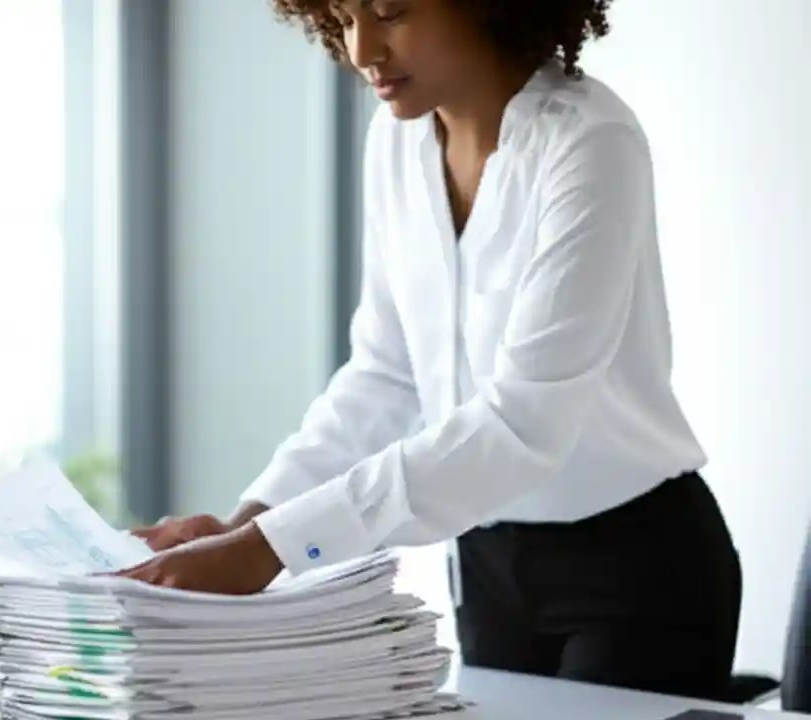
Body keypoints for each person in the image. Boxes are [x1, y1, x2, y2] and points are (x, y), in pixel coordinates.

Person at [116, 0, 743, 702]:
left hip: (635, 569)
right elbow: (386, 375)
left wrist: (271, 549)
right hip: (483, 564)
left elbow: (521, 423)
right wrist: (248, 521)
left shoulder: (590, 142)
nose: (361, 51)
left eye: (389, 12)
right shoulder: (396, 142)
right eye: (343, 17)